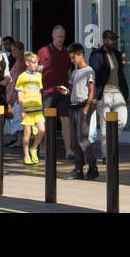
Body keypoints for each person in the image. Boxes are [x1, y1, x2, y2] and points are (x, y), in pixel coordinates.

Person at [89, 30, 129, 163]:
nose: (114, 42)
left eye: (115, 39)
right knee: (105, 124)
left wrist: (126, 93)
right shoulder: (97, 55)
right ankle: (106, 154)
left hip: (117, 91)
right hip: (103, 92)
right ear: (105, 40)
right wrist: (94, 95)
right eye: (112, 39)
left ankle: (111, 142)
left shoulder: (117, 54)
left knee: (122, 120)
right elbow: (93, 74)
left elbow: (121, 75)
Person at [37, 25, 73, 159]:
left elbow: (69, 73)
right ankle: (43, 148)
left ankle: (69, 150)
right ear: (52, 36)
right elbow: (38, 72)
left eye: (62, 36)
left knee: (66, 120)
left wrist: (70, 91)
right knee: (46, 121)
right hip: (47, 92)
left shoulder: (67, 53)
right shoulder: (43, 51)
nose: (60, 39)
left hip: (63, 93)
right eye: (58, 36)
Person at [67, 43, 97, 180]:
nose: (72, 61)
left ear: (81, 55)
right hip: (74, 105)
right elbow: (73, 89)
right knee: (74, 140)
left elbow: (92, 90)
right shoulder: (74, 72)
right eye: (71, 59)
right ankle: (78, 168)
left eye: (74, 58)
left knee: (82, 138)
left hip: (83, 106)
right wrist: (67, 92)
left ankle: (92, 167)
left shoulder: (88, 71)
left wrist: (87, 107)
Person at [14, 52, 46, 164]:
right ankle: (26, 154)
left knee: (42, 130)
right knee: (26, 133)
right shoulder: (22, 77)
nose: (36, 65)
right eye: (33, 63)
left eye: (37, 63)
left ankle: (34, 148)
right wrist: (22, 109)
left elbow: (39, 91)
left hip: (37, 107)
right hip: (27, 108)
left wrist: (41, 105)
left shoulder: (38, 76)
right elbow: (20, 93)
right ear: (27, 63)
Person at [6, 41, 27, 147]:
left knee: (19, 117)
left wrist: (14, 93)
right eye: (12, 50)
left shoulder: (21, 62)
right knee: (17, 117)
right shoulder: (17, 61)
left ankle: (20, 140)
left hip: (18, 93)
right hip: (14, 91)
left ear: (20, 50)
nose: (13, 52)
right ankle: (18, 140)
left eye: (15, 50)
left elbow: (18, 79)